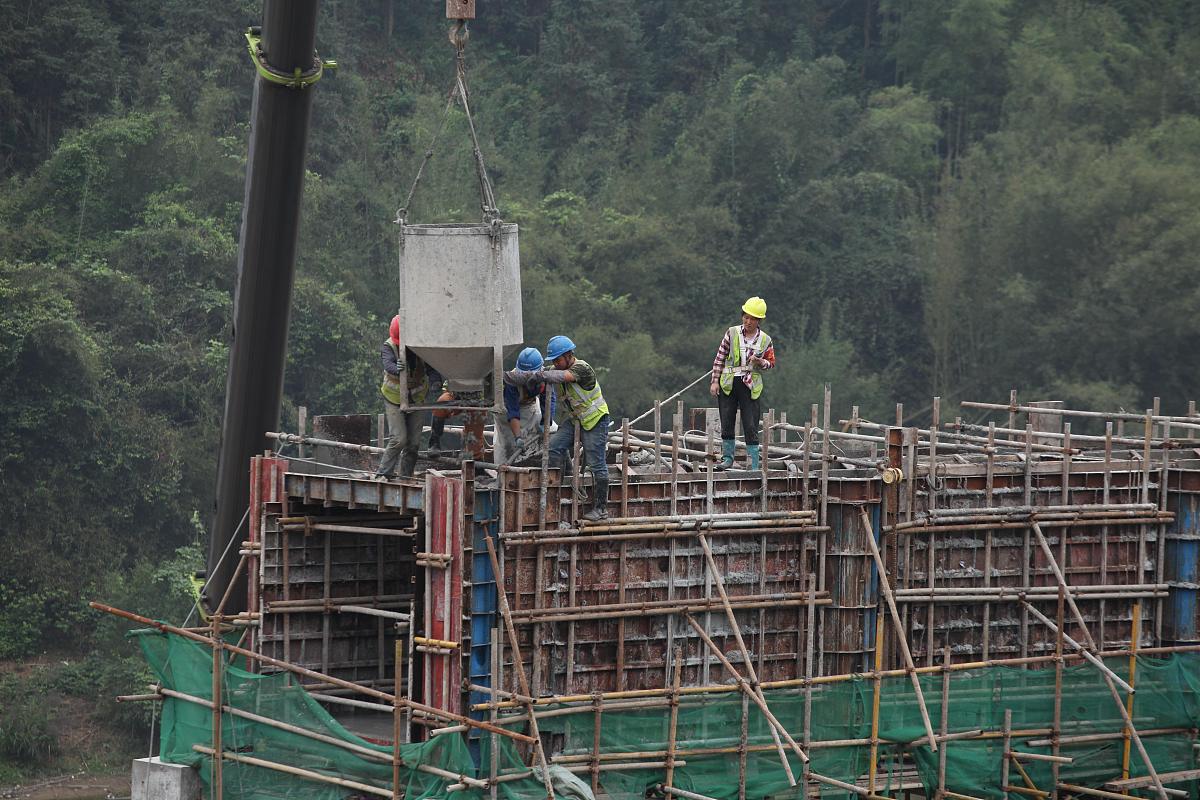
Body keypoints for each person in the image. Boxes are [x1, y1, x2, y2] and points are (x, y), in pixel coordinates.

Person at [539, 335, 611, 521]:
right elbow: (547, 373)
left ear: (569, 355)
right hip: (576, 420)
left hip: (595, 419)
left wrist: (540, 374)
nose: (555, 363)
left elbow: (564, 376)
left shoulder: (582, 368)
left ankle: (601, 508)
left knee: (596, 464)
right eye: (553, 360)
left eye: (558, 359)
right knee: (554, 447)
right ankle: (559, 488)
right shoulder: (557, 368)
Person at [710, 296, 775, 470]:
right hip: (729, 382)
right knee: (727, 419)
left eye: (752, 318)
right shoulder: (731, 333)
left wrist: (761, 362)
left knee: (751, 422)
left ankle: (753, 463)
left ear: (758, 320)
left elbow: (771, 363)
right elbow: (720, 358)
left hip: (750, 384)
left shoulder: (765, 340)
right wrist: (714, 381)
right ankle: (728, 458)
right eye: (745, 317)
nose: (748, 321)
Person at [375, 315, 431, 479]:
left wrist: (435, 381)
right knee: (398, 439)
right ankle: (383, 473)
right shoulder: (389, 346)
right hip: (394, 398)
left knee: (413, 443)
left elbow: (431, 366)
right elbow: (388, 364)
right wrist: (396, 368)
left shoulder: (421, 346)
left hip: (417, 398)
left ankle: (405, 477)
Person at [495, 347, 556, 464]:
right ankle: (503, 473)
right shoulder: (511, 381)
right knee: (509, 448)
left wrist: (546, 424)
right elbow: (513, 412)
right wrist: (517, 437)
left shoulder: (543, 377)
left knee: (552, 433)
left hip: (531, 406)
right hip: (508, 414)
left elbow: (549, 401)